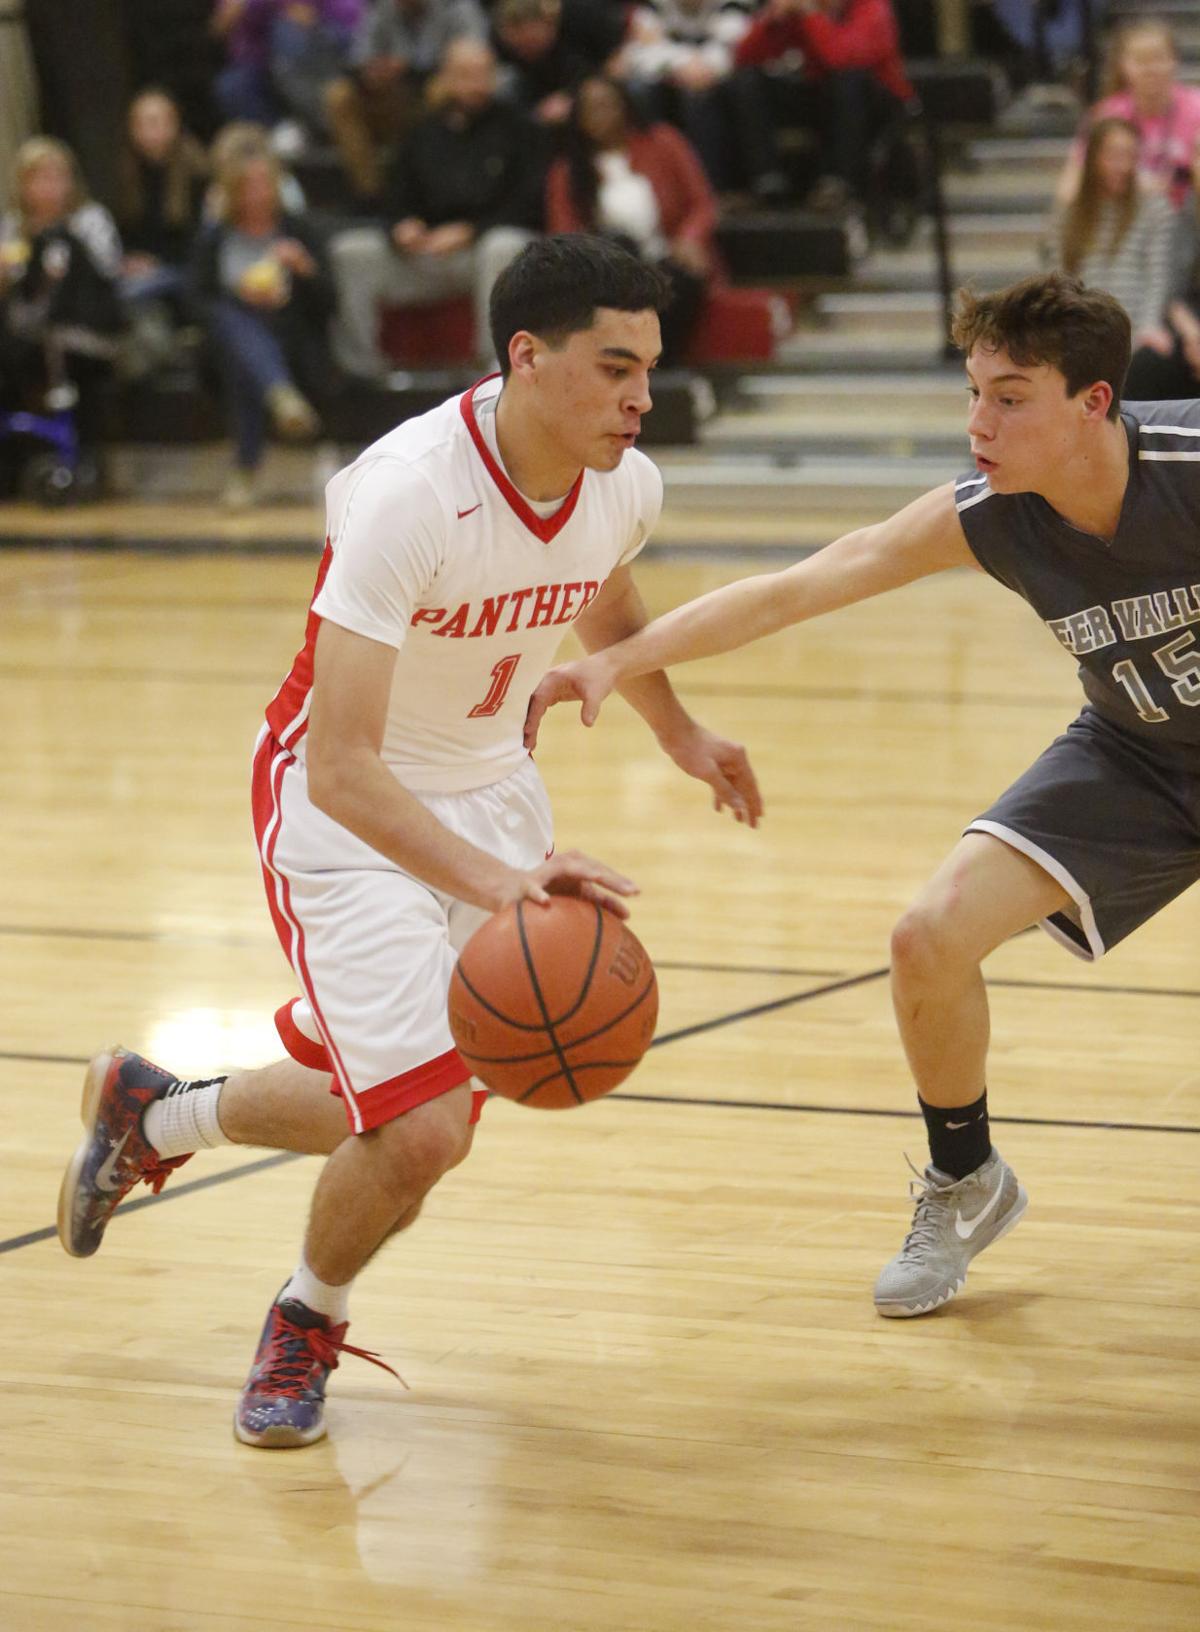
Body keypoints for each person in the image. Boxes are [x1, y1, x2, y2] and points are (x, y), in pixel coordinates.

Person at [57, 233, 762, 1448]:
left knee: (397, 1109)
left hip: (496, 793)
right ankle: (302, 1325)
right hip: (345, 810)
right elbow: (341, 766)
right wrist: (504, 890)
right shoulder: (406, 490)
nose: (643, 395)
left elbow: (602, 584)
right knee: (421, 1127)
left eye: (650, 366)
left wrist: (678, 729)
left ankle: (152, 1115)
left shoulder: (619, 477)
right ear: (526, 358)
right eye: (614, 368)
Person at [526, 269, 1200, 1319]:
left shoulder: (1190, 467)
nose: (979, 423)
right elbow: (802, 585)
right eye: (973, 392)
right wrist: (621, 661)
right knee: (927, 938)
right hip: (1136, 756)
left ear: (1094, 404)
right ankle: (967, 1179)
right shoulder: (990, 515)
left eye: (1010, 397)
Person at [330, 37, 545, 377]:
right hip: (427, 254)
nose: (474, 83)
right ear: (445, 77)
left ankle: (493, 368)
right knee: (352, 252)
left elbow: (530, 203)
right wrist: (402, 227)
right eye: (464, 74)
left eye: (482, 73)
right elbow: (394, 198)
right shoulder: (421, 131)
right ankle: (363, 371)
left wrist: (471, 231)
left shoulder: (519, 128)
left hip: (481, 254)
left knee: (503, 246)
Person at [190, 145, 336, 507]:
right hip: (228, 338)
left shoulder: (298, 230)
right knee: (232, 321)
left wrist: (304, 270)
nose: (258, 194)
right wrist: (241, 293)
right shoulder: (216, 236)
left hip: (292, 338)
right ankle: (279, 395)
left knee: (243, 359)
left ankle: (245, 469)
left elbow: (329, 302)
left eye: (264, 184)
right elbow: (194, 300)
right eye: (248, 186)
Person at [546, 74, 715, 365]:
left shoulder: (664, 142)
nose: (600, 115)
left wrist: (689, 239)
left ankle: (664, 369)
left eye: (607, 105)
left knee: (679, 281)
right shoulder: (566, 171)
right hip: (608, 268)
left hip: (669, 254)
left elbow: (702, 203)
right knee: (618, 251)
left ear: (625, 107)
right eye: (590, 109)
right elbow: (565, 233)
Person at [0, 137, 123, 485]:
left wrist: (68, 250)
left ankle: (79, 458)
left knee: (63, 355)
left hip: (77, 329)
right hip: (19, 331)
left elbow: (105, 280)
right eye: (40, 178)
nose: (51, 187)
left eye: (59, 176)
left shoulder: (88, 221)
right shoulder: (11, 228)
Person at [730, 0, 913, 210]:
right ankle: (765, 180)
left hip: (877, 103)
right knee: (748, 81)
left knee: (848, 81)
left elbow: (842, 59)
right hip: (822, 98)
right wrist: (772, 22)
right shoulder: (805, 10)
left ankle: (839, 184)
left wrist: (810, 14)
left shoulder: (872, 7)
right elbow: (744, 57)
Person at [324, 0, 488, 203]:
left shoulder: (457, 7)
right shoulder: (382, 9)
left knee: (439, 90)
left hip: (439, 97)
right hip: (394, 99)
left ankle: (434, 190)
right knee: (339, 95)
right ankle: (371, 195)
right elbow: (359, 59)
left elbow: (477, 62)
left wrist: (409, 69)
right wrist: (374, 72)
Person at [1054, 117, 1173, 356]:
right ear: (1093, 157)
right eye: (1113, 155)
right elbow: (1059, 275)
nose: (1122, 166)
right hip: (1082, 326)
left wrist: (1148, 326)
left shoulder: (1154, 208)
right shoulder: (1071, 212)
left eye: (1130, 155)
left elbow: (1158, 274)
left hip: (1136, 327)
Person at [1058, 17, 1200, 212]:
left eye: (1158, 59)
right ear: (1123, 66)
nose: (1150, 69)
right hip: (1121, 220)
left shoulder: (1196, 108)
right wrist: (1128, 185)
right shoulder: (1105, 115)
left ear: (1174, 61)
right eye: (1141, 61)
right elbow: (1069, 189)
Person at [117, 88, 210, 375]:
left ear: (174, 124)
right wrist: (131, 259)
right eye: (141, 123)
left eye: (156, 121)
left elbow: (201, 243)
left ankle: (158, 353)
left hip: (188, 270)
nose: (149, 131)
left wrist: (154, 262)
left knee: (127, 293)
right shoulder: (129, 175)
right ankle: (161, 348)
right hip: (150, 273)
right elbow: (128, 234)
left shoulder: (198, 172)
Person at [1125, 128, 1200, 399]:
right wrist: (1193, 336)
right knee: (1144, 366)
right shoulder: (1183, 214)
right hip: (1190, 320)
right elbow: (1171, 289)